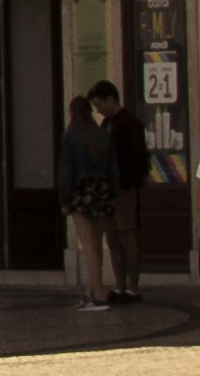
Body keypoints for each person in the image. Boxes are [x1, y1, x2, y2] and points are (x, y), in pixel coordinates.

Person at [61, 86, 122, 306]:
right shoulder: (104, 135)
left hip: (82, 193)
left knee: (89, 246)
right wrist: (113, 193)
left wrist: (64, 201)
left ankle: (99, 293)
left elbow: (66, 172)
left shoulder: (71, 137)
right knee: (97, 244)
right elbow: (114, 168)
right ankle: (90, 291)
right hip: (103, 191)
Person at [110, 85, 151, 301]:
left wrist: (132, 182)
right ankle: (119, 287)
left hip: (125, 188)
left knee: (127, 235)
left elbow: (140, 156)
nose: (97, 109)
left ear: (110, 99)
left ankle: (132, 288)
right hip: (111, 190)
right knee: (114, 238)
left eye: (99, 104)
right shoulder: (108, 123)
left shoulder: (129, 123)